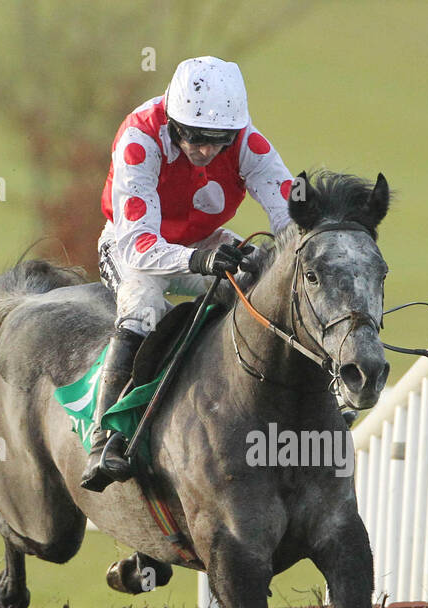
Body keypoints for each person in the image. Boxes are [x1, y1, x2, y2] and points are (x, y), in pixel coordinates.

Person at [82, 55, 295, 492]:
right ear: (174, 121)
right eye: (195, 138)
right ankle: (106, 437)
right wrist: (197, 262)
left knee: (265, 280)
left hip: (203, 241)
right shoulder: (139, 138)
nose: (206, 151)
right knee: (143, 308)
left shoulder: (246, 142)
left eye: (219, 141)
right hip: (133, 246)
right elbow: (138, 245)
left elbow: (290, 213)